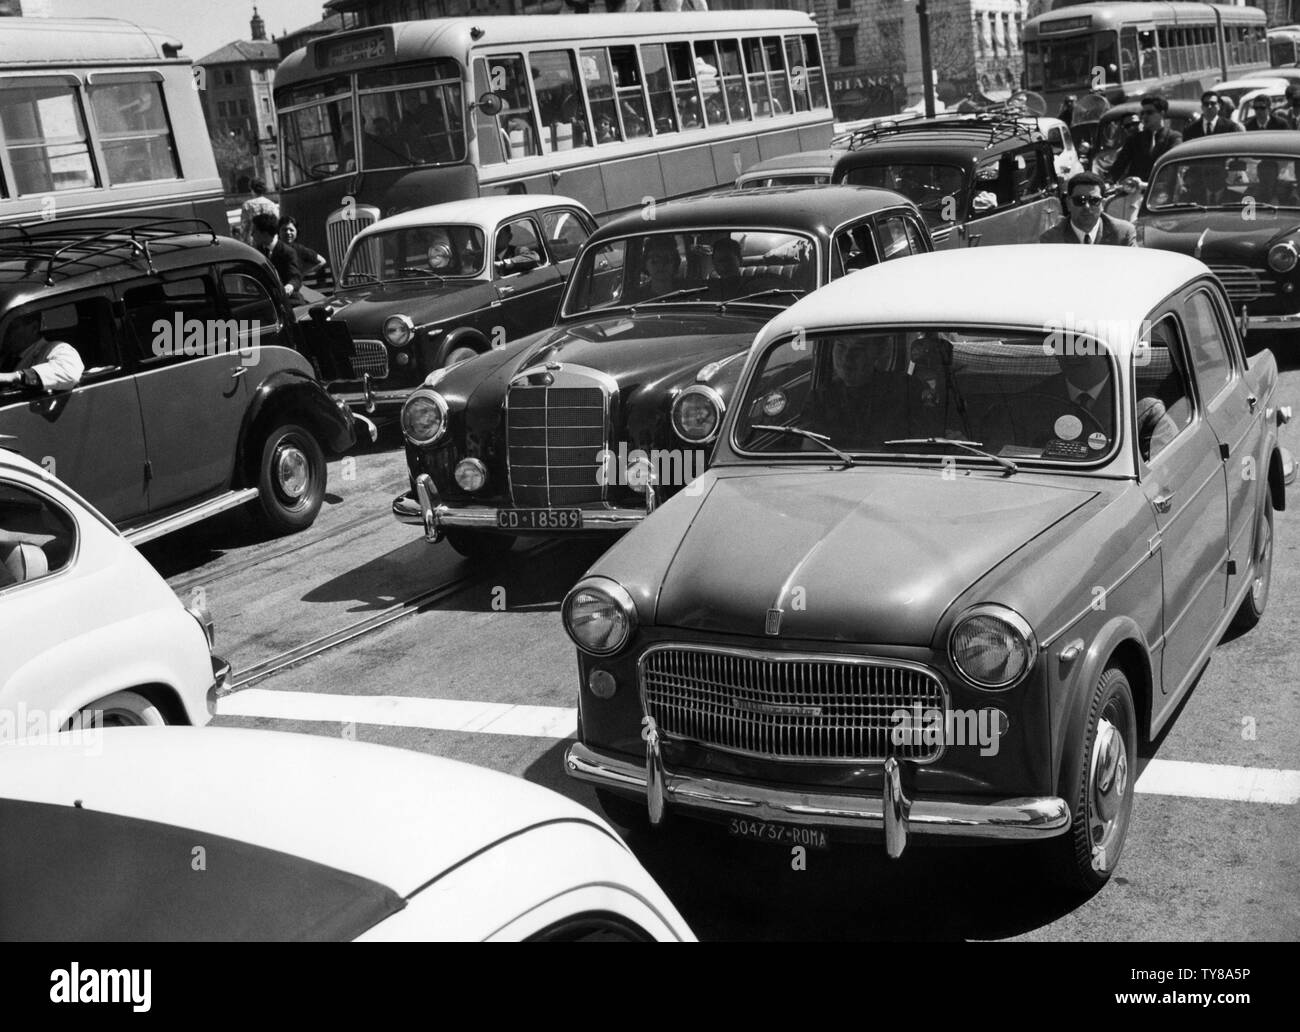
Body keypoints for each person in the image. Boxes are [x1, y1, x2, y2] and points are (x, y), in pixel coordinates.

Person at [809, 335, 935, 448]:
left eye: (858, 349)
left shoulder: (905, 389)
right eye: (841, 346)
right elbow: (809, 454)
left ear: (878, 352)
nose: (847, 357)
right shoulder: (820, 398)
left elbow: (924, 444)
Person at [1109, 94, 1183, 193]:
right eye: (1142, 113)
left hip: (1162, 193)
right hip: (1135, 194)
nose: (1144, 116)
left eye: (1149, 113)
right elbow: (1119, 166)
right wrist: (1108, 182)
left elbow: (1173, 167)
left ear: (1162, 113)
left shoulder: (1173, 138)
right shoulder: (1134, 139)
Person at [1040, 171, 1137, 245]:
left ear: (1102, 204)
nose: (1086, 206)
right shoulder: (1051, 240)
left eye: (1094, 201)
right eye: (1079, 200)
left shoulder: (1123, 234)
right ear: (1068, 204)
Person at [0, 311, 83, 392]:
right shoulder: (7, 356)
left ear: (34, 328)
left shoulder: (56, 349)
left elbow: (68, 373)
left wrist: (13, 377)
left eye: (13, 328)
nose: (6, 333)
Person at [248, 212, 303, 298]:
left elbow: (295, 278)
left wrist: (289, 287)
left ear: (265, 233)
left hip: (290, 300)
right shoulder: (258, 251)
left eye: (254, 231)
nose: (252, 234)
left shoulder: (287, 252)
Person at [239, 178, 279, 243]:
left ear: (252, 189)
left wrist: (243, 241)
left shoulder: (247, 205)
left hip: (254, 240)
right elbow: (276, 222)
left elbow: (244, 226)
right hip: (270, 239)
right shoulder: (272, 204)